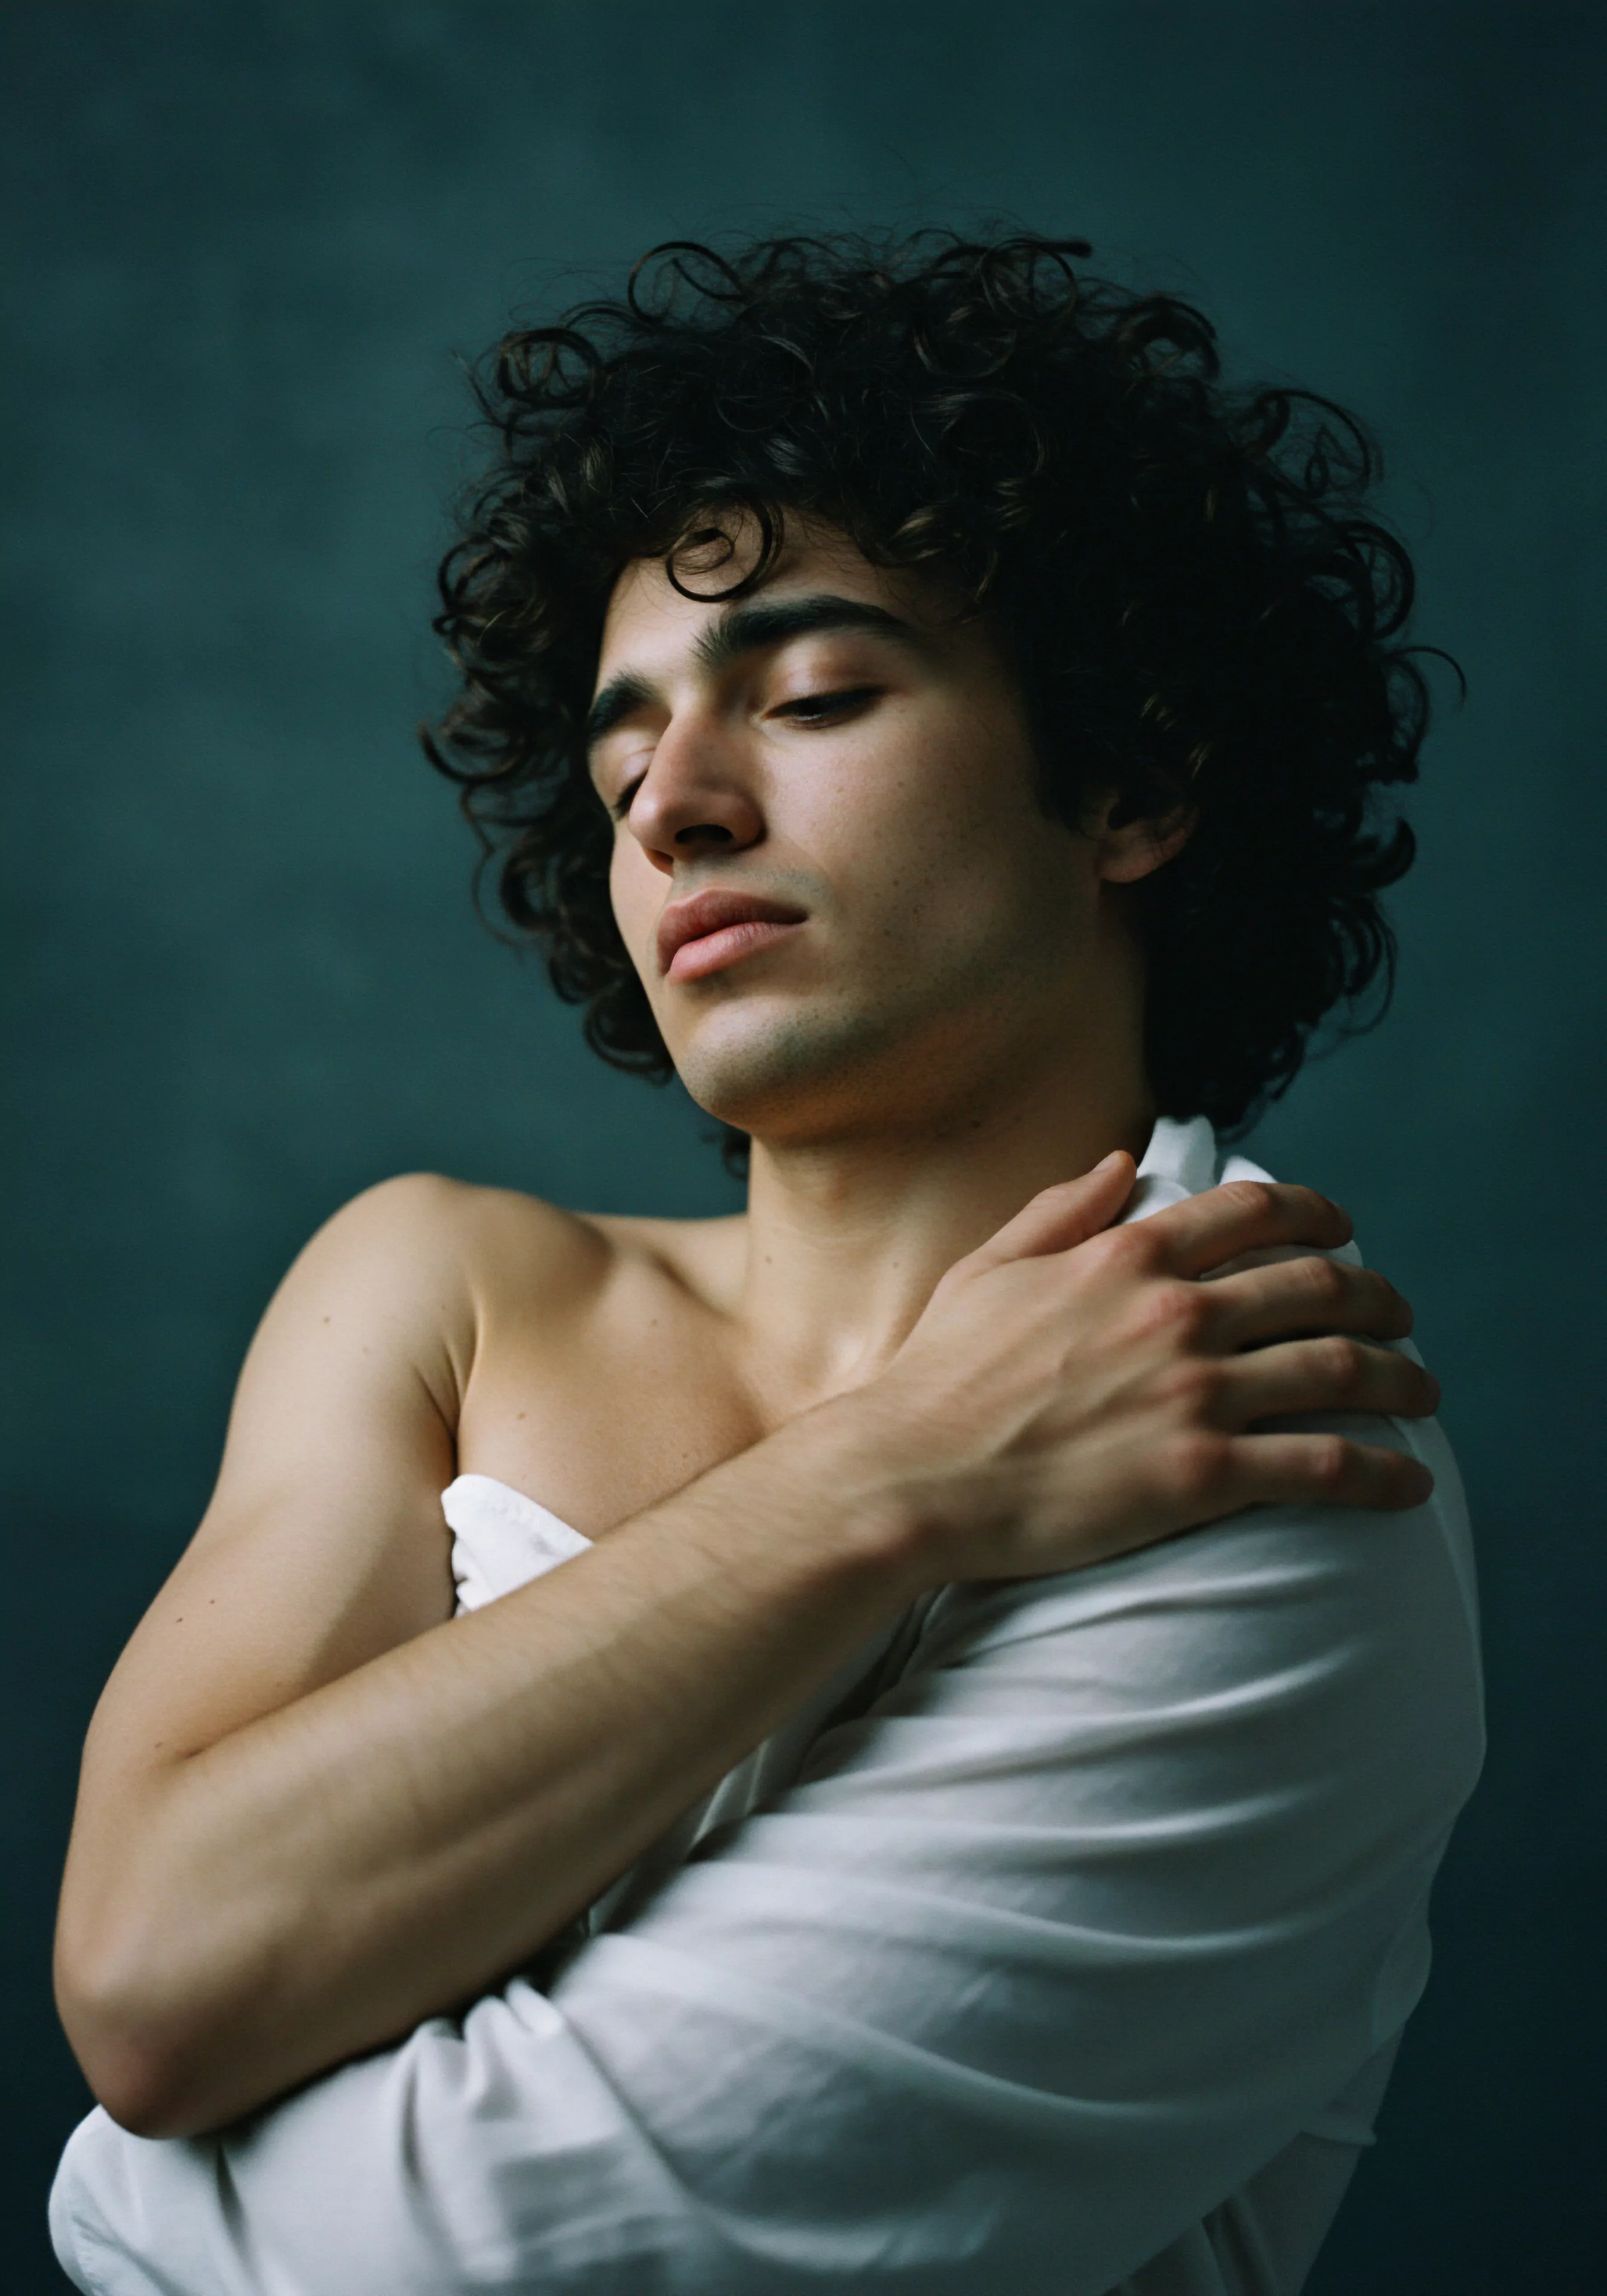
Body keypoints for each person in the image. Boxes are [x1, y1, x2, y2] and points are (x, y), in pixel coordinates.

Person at [49, 232, 1483, 2295]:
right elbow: (153, 1980)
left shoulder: (1266, 1418)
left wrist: (127, 2201)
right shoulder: (443, 1288)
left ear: (1133, 782)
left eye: (813, 697)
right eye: (623, 762)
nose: (677, 810)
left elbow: (478, 2259)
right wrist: (898, 1471)